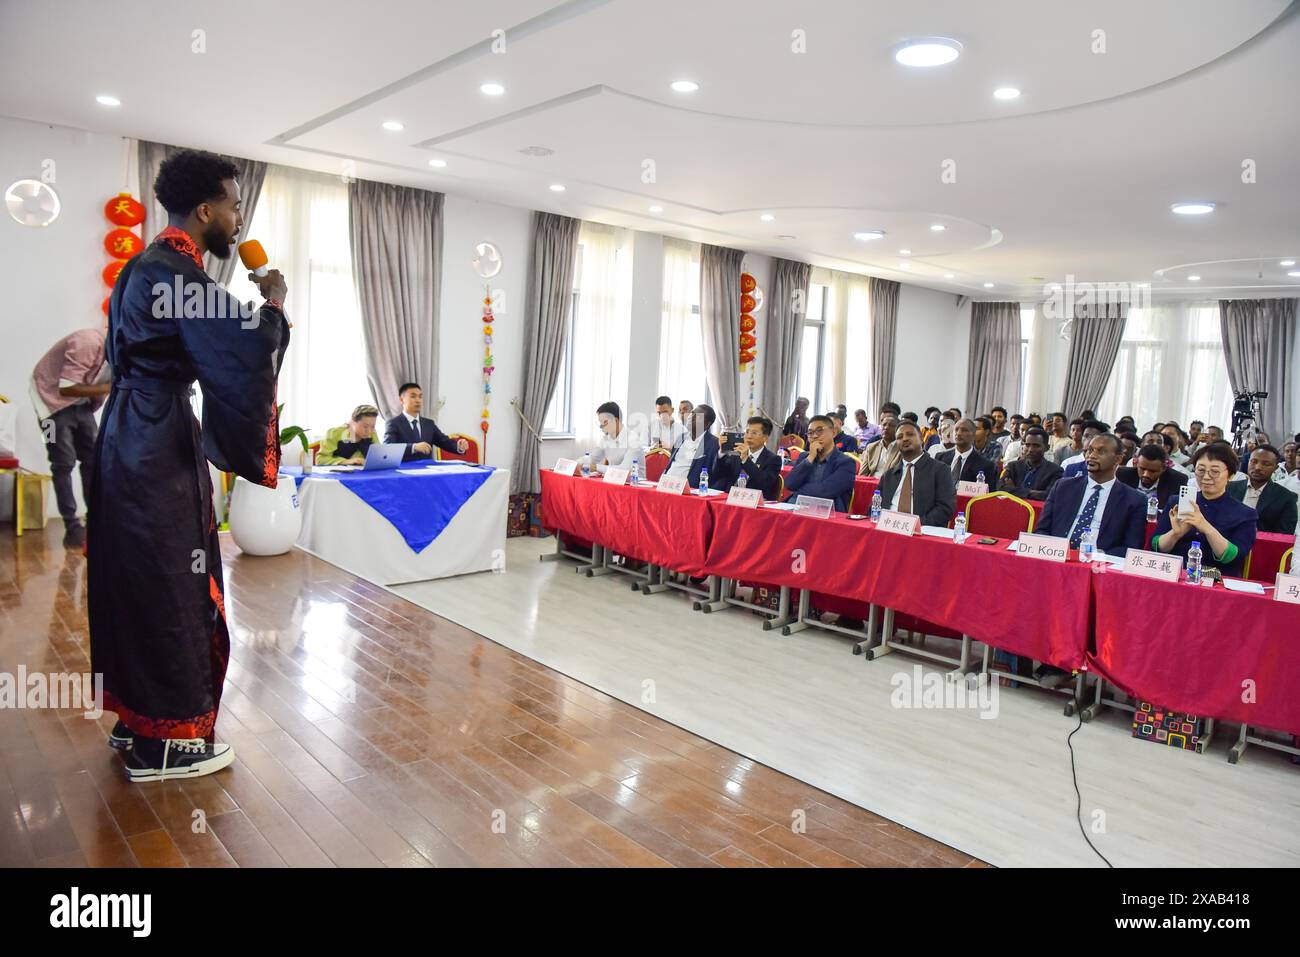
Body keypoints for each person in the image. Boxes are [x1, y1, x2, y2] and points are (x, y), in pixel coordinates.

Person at [89, 149, 290, 781]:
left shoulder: (143, 266)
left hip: (126, 435)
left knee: (135, 577)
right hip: (155, 440)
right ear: (205, 210)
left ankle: (137, 719)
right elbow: (242, 347)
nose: (237, 220)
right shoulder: (174, 270)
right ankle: (167, 742)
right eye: (233, 206)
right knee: (172, 583)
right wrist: (275, 307)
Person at [30, 325, 112, 547]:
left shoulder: (114, 351)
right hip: (50, 401)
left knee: (94, 461)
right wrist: (110, 387)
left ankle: (95, 522)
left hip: (79, 402)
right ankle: (72, 528)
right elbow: (66, 388)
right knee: (62, 463)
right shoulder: (88, 341)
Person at [1153, 443, 1257, 578]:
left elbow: (1235, 557)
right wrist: (1175, 534)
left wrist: (1206, 527)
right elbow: (1156, 545)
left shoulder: (1245, 514)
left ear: (1230, 475)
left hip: (1214, 581)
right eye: (1200, 470)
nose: (1206, 477)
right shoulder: (1177, 502)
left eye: (1214, 471)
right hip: (1173, 574)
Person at [1038, 433, 1147, 557]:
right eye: (1090, 450)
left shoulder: (1134, 500)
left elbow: (1132, 547)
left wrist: (1101, 554)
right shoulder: (1063, 487)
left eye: (1101, 451)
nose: (1092, 455)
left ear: (1118, 459)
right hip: (1057, 557)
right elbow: (1042, 530)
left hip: (1099, 563)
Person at [877, 421, 955, 527]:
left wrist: (915, 525)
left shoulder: (940, 470)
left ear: (922, 439)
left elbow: (945, 509)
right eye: (900, 437)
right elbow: (875, 506)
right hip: (889, 528)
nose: (904, 439)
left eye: (910, 434)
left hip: (922, 531)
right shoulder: (889, 475)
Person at [784, 414, 856, 511]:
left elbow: (825, 491)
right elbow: (789, 484)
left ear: (833, 433)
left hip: (827, 513)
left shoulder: (846, 462)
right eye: (810, 433)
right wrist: (810, 458)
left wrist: (798, 490)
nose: (814, 436)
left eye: (819, 431)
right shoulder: (804, 457)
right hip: (796, 507)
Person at [383, 382, 467, 461]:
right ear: (401, 400)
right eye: (413, 396)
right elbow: (388, 448)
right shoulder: (393, 423)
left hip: (427, 471)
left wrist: (459, 446)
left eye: (420, 396)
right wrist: (413, 447)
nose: (418, 400)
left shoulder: (429, 424)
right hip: (404, 472)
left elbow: (444, 441)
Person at [1227, 444, 1297, 534]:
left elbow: (1284, 536)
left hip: (1262, 546)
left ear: (1276, 468)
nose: (1258, 467)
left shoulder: (1286, 498)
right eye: (1254, 461)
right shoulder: (1229, 488)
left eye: (1266, 464)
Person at [710, 416, 783, 500]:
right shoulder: (736, 454)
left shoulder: (773, 460)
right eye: (747, 432)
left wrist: (745, 459)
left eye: (754, 433)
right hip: (730, 498)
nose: (749, 436)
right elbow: (718, 474)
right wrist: (722, 451)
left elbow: (764, 484)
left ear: (765, 438)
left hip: (753, 502)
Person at [1116, 443, 1187, 518]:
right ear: (1136, 464)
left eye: (1152, 471)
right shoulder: (1122, 475)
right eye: (1142, 469)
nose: (1146, 475)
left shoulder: (1177, 480)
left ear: (1163, 469)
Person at [997, 428, 1062, 501]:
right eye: (1027, 445)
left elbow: (1050, 495)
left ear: (1047, 448)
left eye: (1036, 446)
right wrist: (1033, 493)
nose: (1030, 450)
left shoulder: (1055, 470)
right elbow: (1000, 488)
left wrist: (1015, 490)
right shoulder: (1013, 466)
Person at [665, 403, 719, 486]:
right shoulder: (681, 438)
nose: (691, 417)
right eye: (692, 413)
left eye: (697, 416)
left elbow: (714, 472)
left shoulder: (713, 444)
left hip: (689, 490)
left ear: (707, 424)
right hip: (666, 484)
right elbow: (670, 464)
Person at [587, 401, 645, 473]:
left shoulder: (634, 440)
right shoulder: (606, 439)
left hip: (633, 482)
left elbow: (625, 469)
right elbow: (592, 458)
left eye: (604, 422)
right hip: (613, 479)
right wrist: (576, 464)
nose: (601, 426)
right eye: (600, 422)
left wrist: (596, 467)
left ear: (616, 421)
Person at [935, 418, 995, 484]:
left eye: (964, 430)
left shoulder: (985, 465)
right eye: (956, 429)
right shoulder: (940, 457)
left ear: (974, 435)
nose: (958, 433)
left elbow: (990, 492)